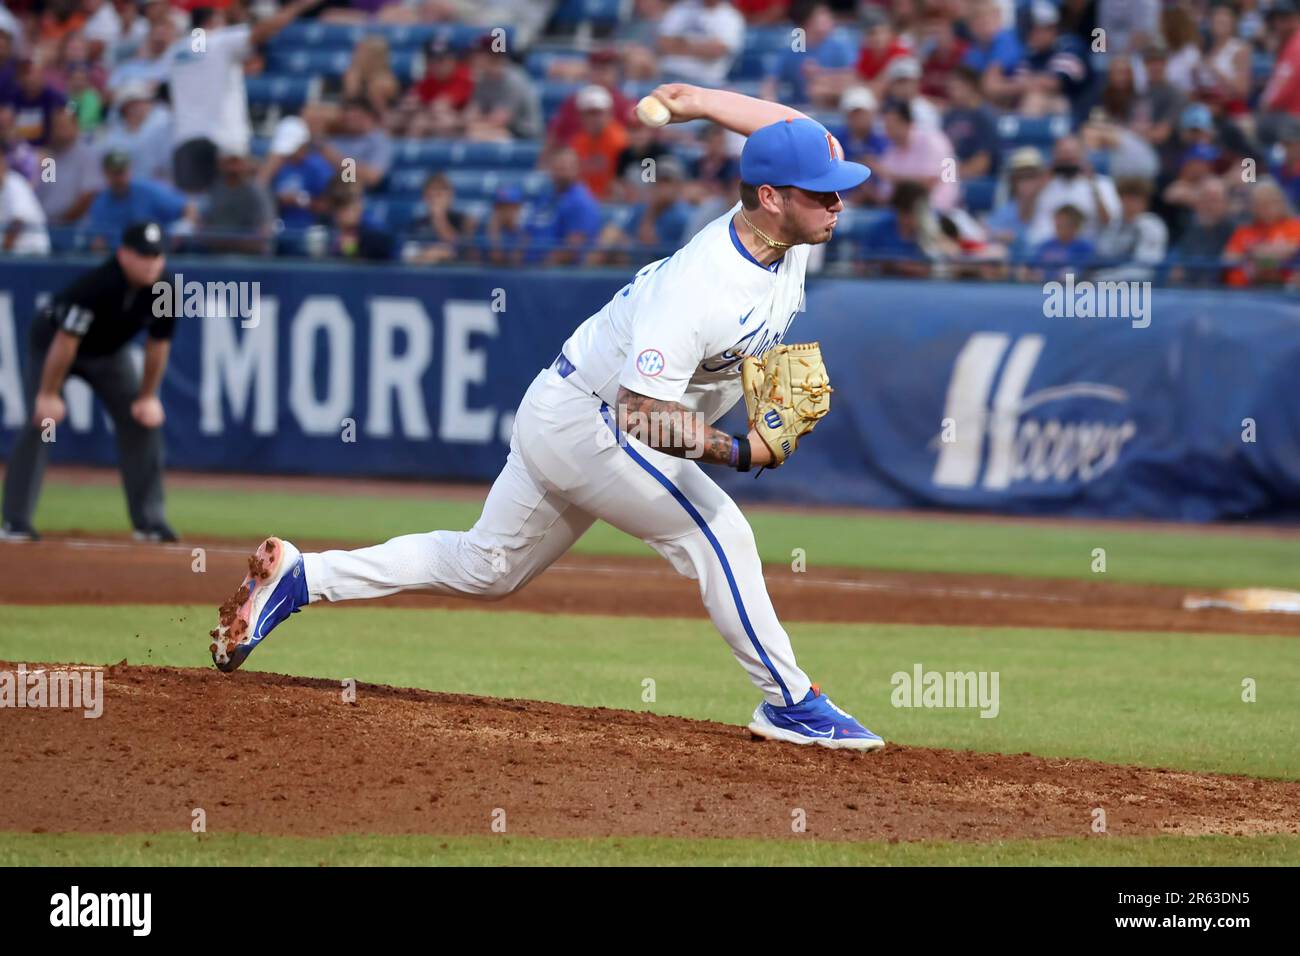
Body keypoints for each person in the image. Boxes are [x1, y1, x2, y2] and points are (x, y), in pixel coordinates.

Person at [210, 84, 887, 752]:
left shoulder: (791, 228)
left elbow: (793, 127)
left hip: (565, 406)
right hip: (597, 423)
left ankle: (304, 577)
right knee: (720, 535)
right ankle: (790, 703)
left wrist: (699, 101)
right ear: (770, 198)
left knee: (488, 567)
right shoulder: (701, 285)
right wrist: (741, 453)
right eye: (822, 191)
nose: (838, 202)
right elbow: (641, 413)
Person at [1, 222, 178, 543]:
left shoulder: (164, 290)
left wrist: (148, 396)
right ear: (124, 255)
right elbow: (65, 342)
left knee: (142, 423)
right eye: (144, 255)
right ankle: (16, 521)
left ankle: (150, 521)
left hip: (109, 354)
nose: (152, 262)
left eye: (157, 255)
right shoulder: (98, 286)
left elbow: (158, 344)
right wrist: (49, 394)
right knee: (41, 422)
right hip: (54, 347)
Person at [166, 0, 324, 193]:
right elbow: (262, 31)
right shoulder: (219, 40)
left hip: (185, 141)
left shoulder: (177, 51)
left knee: (195, 210)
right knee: (229, 212)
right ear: (214, 18)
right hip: (222, 143)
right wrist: (298, 7)